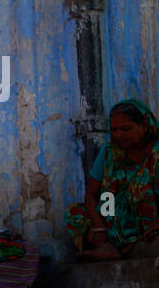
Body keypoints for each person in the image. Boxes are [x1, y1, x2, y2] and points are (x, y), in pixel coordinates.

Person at [67, 99, 159, 261]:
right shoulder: (109, 153)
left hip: (149, 228)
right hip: (112, 224)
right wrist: (99, 226)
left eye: (125, 129)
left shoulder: (156, 153)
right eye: (114, 130)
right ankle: (108, 248)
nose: (118, 135)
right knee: (75, 214)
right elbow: (92, 196)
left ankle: (124, 249)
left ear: (144, 126)